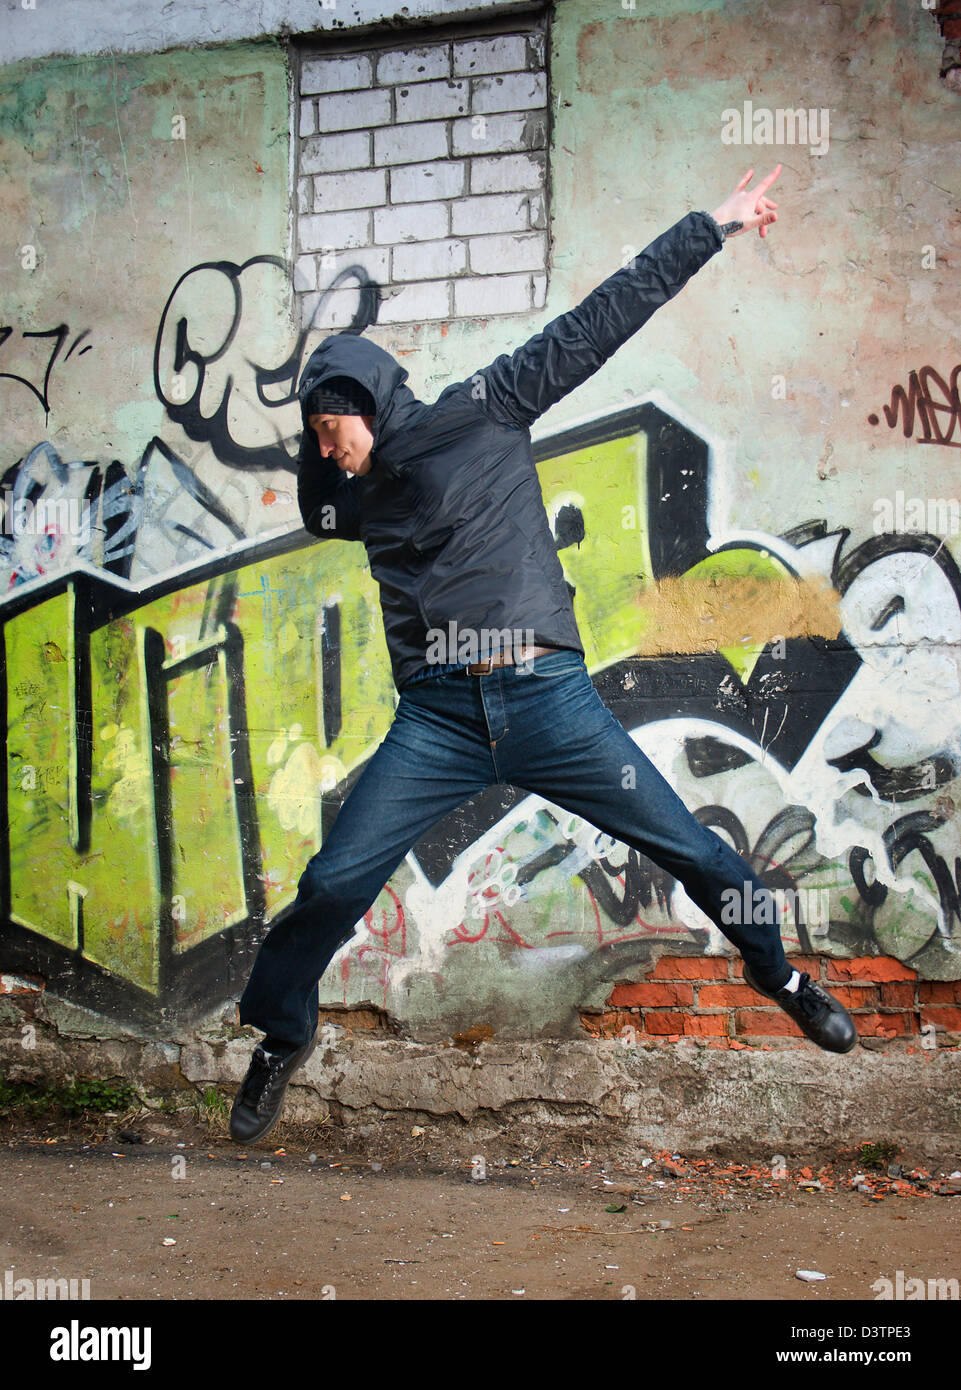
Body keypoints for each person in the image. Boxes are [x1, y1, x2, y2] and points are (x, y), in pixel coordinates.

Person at [230, 165, 856, 1144]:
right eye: (311, 432)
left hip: (547, 699)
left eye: (330, 423)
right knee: (334, 881)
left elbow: (600, 320)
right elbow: (316, 503)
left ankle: (779, 974)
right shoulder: (349, 497)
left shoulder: (488, 407)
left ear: (369, 398)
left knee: (692, 849)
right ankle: (280, 1034)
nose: (324, 444)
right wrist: (319, 442)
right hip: (438, 721)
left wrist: (714, 223)